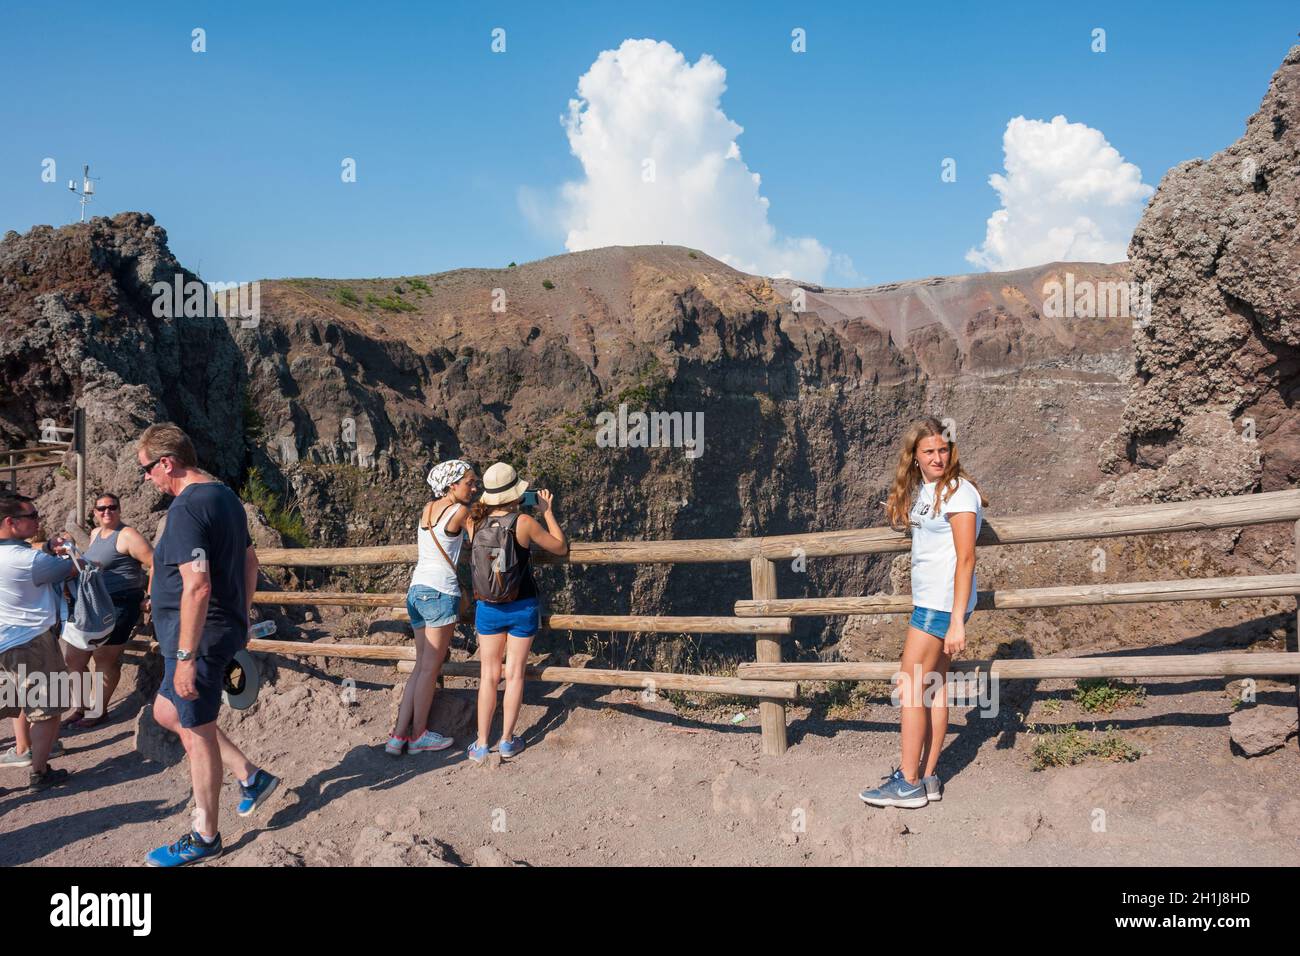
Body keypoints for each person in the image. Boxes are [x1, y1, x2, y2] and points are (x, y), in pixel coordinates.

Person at [138, 423, 280, 865]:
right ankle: (250, 775)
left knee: (197, 733)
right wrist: (239, 611)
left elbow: (196, 586)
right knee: (167, 711)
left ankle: (206, 835)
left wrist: (186, 656)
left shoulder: (186, 508)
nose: (147, 479)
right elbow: (250, 562)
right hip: (214, 630)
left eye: (147, 469)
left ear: (168, 463)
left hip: (197, 641)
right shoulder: (225, 497)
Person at [860, 416, 987, 809]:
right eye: (928, 451)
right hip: (933, 603)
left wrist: (954, 621)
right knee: (933, 688)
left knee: (909, 687)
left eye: (943, 449)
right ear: (914, 457)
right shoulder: (928, 490)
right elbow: (925, 530)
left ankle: (908, 781)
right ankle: (928, 775)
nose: (937, 457)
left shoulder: (959, 492)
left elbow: (966, 558)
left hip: (939, 606)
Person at [465, 462, 566, 764]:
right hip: (522, 606)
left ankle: (482, 744)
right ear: (516, 494)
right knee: (514, 674)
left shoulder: (474, 522)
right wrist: (547, 510)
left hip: (488, 607)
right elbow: (560, 547)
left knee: (488, 676)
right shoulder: (523, 522)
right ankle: (507, 741)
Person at [386, 459, 480, 756]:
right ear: (453, 485)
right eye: (470, 483)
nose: (475, 488)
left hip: (416, 591)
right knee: (430, 669)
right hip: (440, 593)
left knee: (420, 667)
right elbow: (477, 544)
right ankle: (418, 736)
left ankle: (397, 736)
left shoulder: (428, 509)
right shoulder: (461, 511)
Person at [0, 493, 77, 789]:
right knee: (49, 710)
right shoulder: (28, 560)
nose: (38, 520)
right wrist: (69, 548)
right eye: (32, 516)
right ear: (11, 522)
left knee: (11, 705)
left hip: (5, 644)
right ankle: (39, 772)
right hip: (32, 641)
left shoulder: (26, 556)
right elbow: (75, 566)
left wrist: (45, 547)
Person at [62, 492, 153, 728]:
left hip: (121, 603)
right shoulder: (95, 534)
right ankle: (79, 708)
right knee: (74, 658)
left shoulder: (128, 535)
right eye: (101, 509)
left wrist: (150, 595)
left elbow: (156, 564)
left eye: (112, 507)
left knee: (104, 658)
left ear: (119, 510)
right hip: (92, 604)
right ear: (94, 513)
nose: (107, 512)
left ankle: (99, 711)